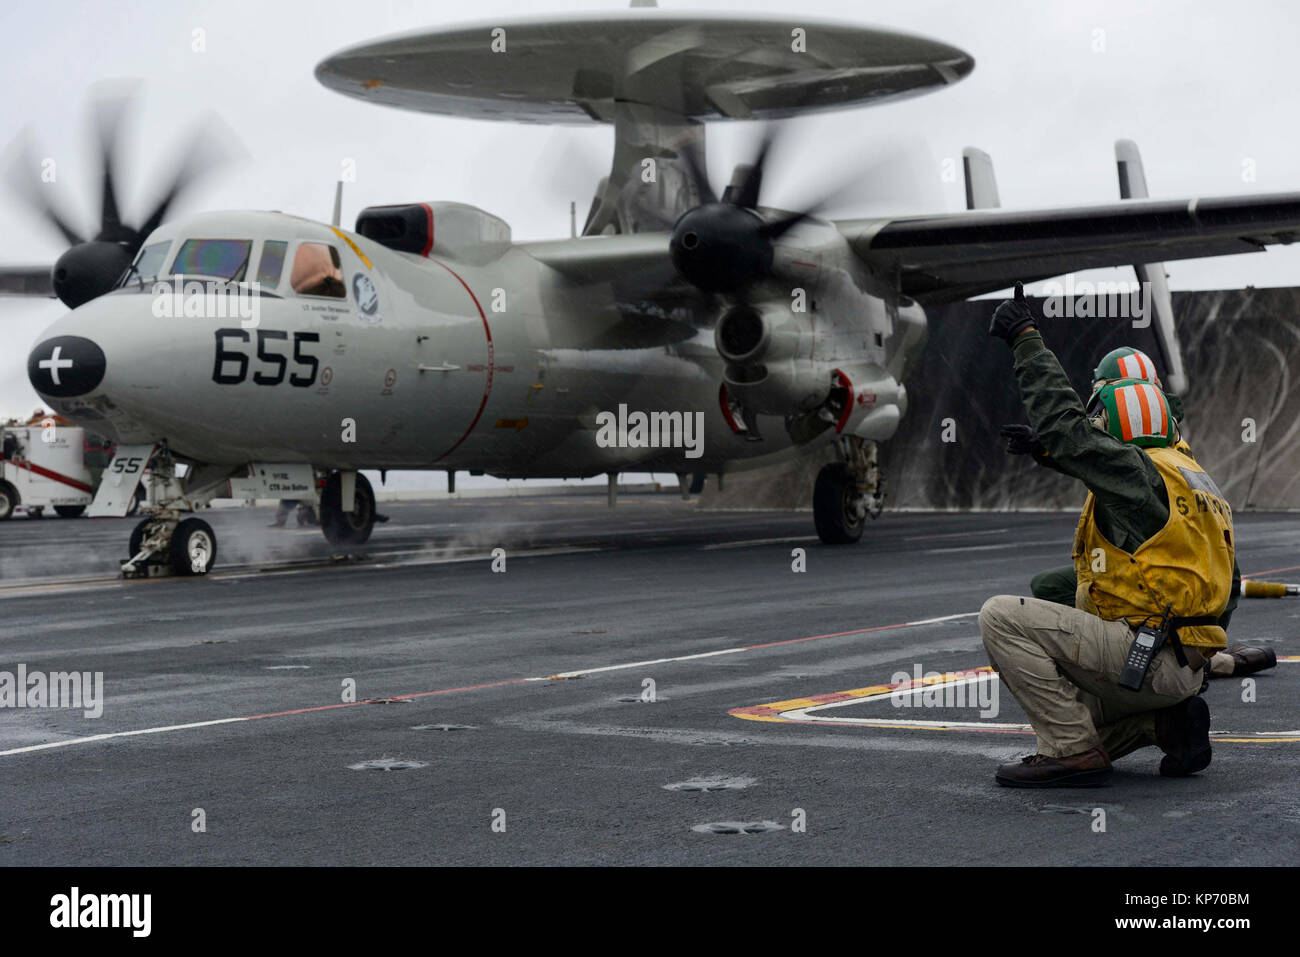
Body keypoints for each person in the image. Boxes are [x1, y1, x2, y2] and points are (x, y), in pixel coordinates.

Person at [979, 284, 1234, 788]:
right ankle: (1161, 724)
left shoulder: (1139, 474)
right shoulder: (1191, 474)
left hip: (1150, 655)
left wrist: (1026, 338)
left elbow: (1072, 433)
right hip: (1184, 660)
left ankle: (1074, 754)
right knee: (1071, 712)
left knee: (1000, 618)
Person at [1003, 346, 1275, 680]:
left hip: (1161, 585)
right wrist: (1047, 449)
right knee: (1052, 586)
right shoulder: (1168, 444)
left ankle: (1183, 661)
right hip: (1163, 578)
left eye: (1102, 390)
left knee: (1002, 616)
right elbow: (1103, 464)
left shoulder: (1149, 455)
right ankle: (1188, 659)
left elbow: (1101, 461)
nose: (1097, 403)